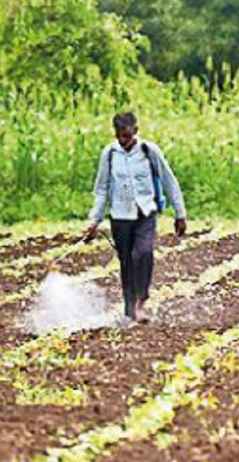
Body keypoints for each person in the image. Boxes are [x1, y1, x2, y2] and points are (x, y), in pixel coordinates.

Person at [85, 112, 188, 324]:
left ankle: (141, 301)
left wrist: (180, 214)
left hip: (145, 213)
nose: (124, 140)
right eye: (120, 136)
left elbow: (169, 181)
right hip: (120, 216)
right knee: (127, 263)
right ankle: (129, 309)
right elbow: (102, 189)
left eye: (127, 136)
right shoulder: (109, 154)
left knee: (144, 253)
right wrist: (94, 220)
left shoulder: (149, 151)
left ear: (136, 131)